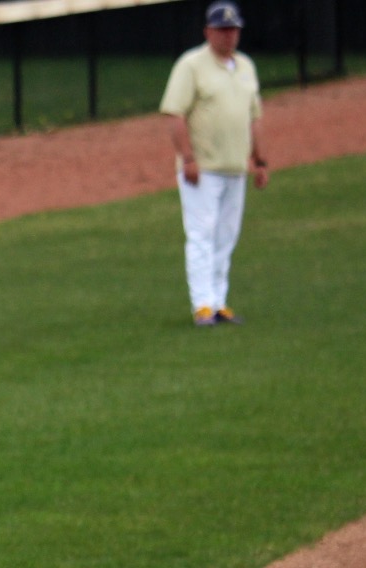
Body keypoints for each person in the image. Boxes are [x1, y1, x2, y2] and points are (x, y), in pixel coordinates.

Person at [160, 1, 270, 326]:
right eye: (222, 29)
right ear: (208, 31)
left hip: (235, 167)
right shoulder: (191, 65)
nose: (229, 35)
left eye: (233, 29)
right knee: (201, 234)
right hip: (203, 169)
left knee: (226, 236)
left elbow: (254, 116)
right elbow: (174, 113)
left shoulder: (246, 67)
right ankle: (202, 305)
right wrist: (189, 158)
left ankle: (220, 302)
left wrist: (260, 159)